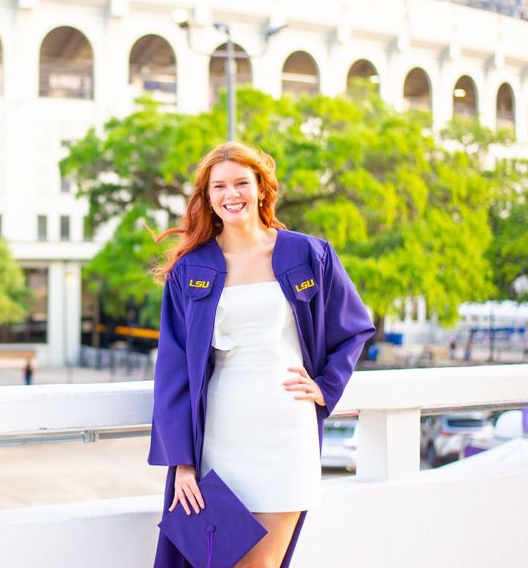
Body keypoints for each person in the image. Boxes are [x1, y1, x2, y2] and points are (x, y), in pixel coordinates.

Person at [148, 142, 375, 568]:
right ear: (208, 198)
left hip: (287, 428)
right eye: (219, 186)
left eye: (240, 183)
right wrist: (181, 462)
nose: (231, 194)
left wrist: (326, 387)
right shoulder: (191, 269)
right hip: (220, 432)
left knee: (261, 564)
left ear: (261, 189)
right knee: (220, 562)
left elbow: (354, 327)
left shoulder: (308, 253)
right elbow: (173, 368)